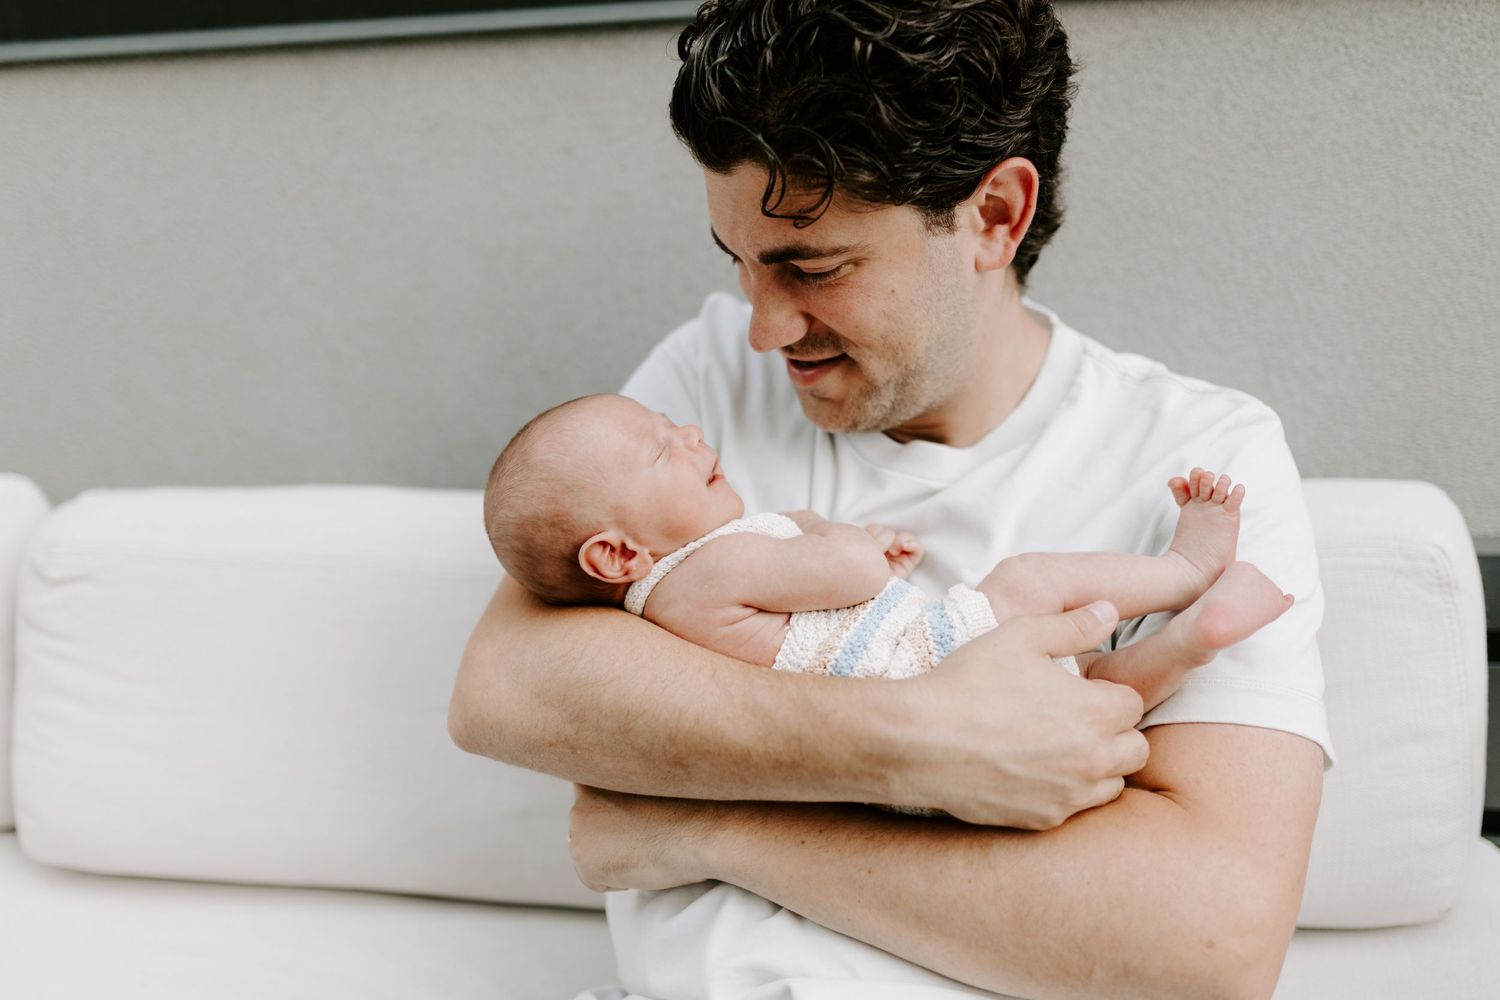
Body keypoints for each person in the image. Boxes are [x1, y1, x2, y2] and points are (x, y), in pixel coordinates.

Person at [448, 1, 1333, 997]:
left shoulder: (1196, 453)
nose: (762, 330)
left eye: (810, 267)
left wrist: (697, 819)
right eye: (737, 264)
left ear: (994, 216)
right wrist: (926, 745)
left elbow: (1209, 947)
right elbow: (506, 690)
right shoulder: (698, 388)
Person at [483, 392, 1293, 717]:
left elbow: (815, 607)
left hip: (905, 682)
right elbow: (851, 575)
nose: (691, 436)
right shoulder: (707, 567)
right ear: (618, 554)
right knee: (1028, 581)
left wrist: (852, 556)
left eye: (674, 425)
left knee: (1093, 689)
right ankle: (1184, 575)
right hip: (926, 659)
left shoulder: (673, 601)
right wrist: (827, 530)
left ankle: (1193, 641)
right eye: (661, 451)